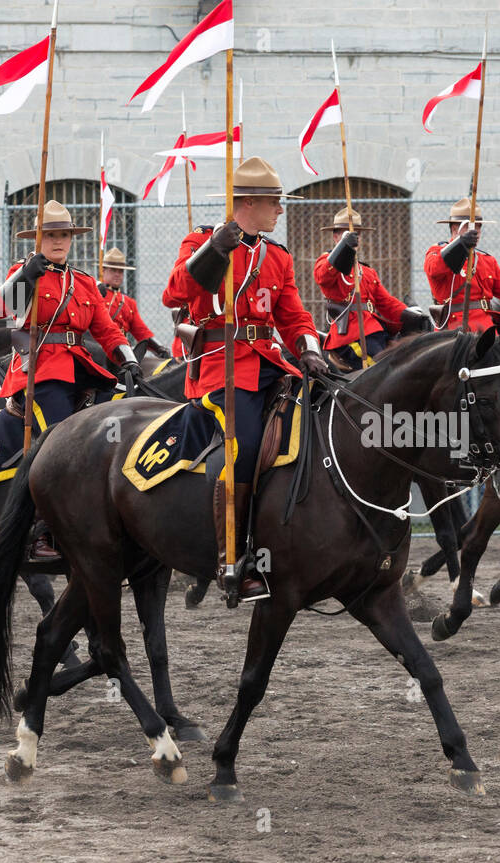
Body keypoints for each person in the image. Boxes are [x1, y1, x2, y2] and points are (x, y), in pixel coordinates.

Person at [162, 156, 327, 602]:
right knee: (247, 444)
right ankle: (233, 556)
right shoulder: (201, 241)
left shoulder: (277, 256)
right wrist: (214, 248)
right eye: (274, 202)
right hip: (221, 364)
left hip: (271, 363)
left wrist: (310, 350)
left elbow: (293, 315)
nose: (281, 210)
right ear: (249, 202)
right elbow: (174, 293)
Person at [0, 200, 140, 558]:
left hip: (80, 369)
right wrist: (26, 274)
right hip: (39, 370)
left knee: (118, 424)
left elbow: (107, 329)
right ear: (39, 239)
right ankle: (43, 529)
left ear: (72, 239)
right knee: (61, 439)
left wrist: (128, 358)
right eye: (51, 235)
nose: (58, 241)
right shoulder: (23, 272)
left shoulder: (84, 282)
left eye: (64, 235)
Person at [314, 207, 427, 370]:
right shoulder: (327, 261)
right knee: (383, 369)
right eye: (346, 234)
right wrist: (343, 247)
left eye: (356, 234)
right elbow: (322, 276)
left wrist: (411, 316)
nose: (354, 237)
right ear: (335, 237)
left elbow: (386, 302)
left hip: (374, 332)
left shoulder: (366, 271)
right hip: (350, 335)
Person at [423, 198, 500, 333]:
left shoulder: (487, 260)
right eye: (468, 226)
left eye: (478, 226)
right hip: (454, 329)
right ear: (454, 228)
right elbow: (434, 269)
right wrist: (460, 244)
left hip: (487, 328)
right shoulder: (437, 252)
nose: (475, 231)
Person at [98, 247, 169, 359]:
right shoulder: (96, 295)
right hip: (100, 349)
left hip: (123, 351)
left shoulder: (128, 302)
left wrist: (160, 348)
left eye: (120, 271)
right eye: (113, 270)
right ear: (103, 271)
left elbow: (142, 332)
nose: (117, 274)